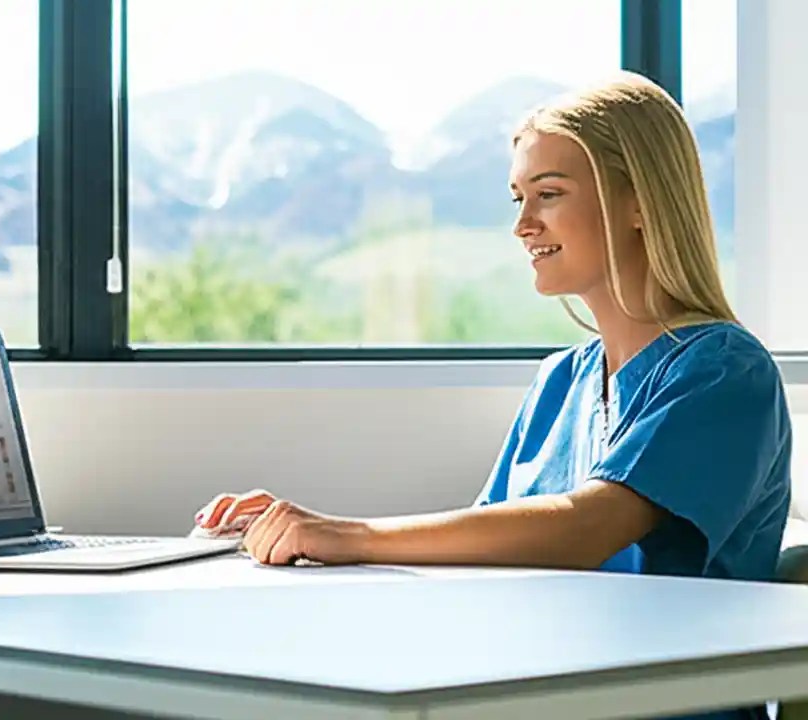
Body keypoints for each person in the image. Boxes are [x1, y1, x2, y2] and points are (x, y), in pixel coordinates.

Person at [195, 71, 792, 587]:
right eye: (517, 200)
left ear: (640, 202)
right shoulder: (560, 380)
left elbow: (588, 529)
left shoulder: (724, 371)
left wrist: (345, 534)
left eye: (548, 194)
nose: (523, 226)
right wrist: (300, 537)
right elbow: (482, 545)